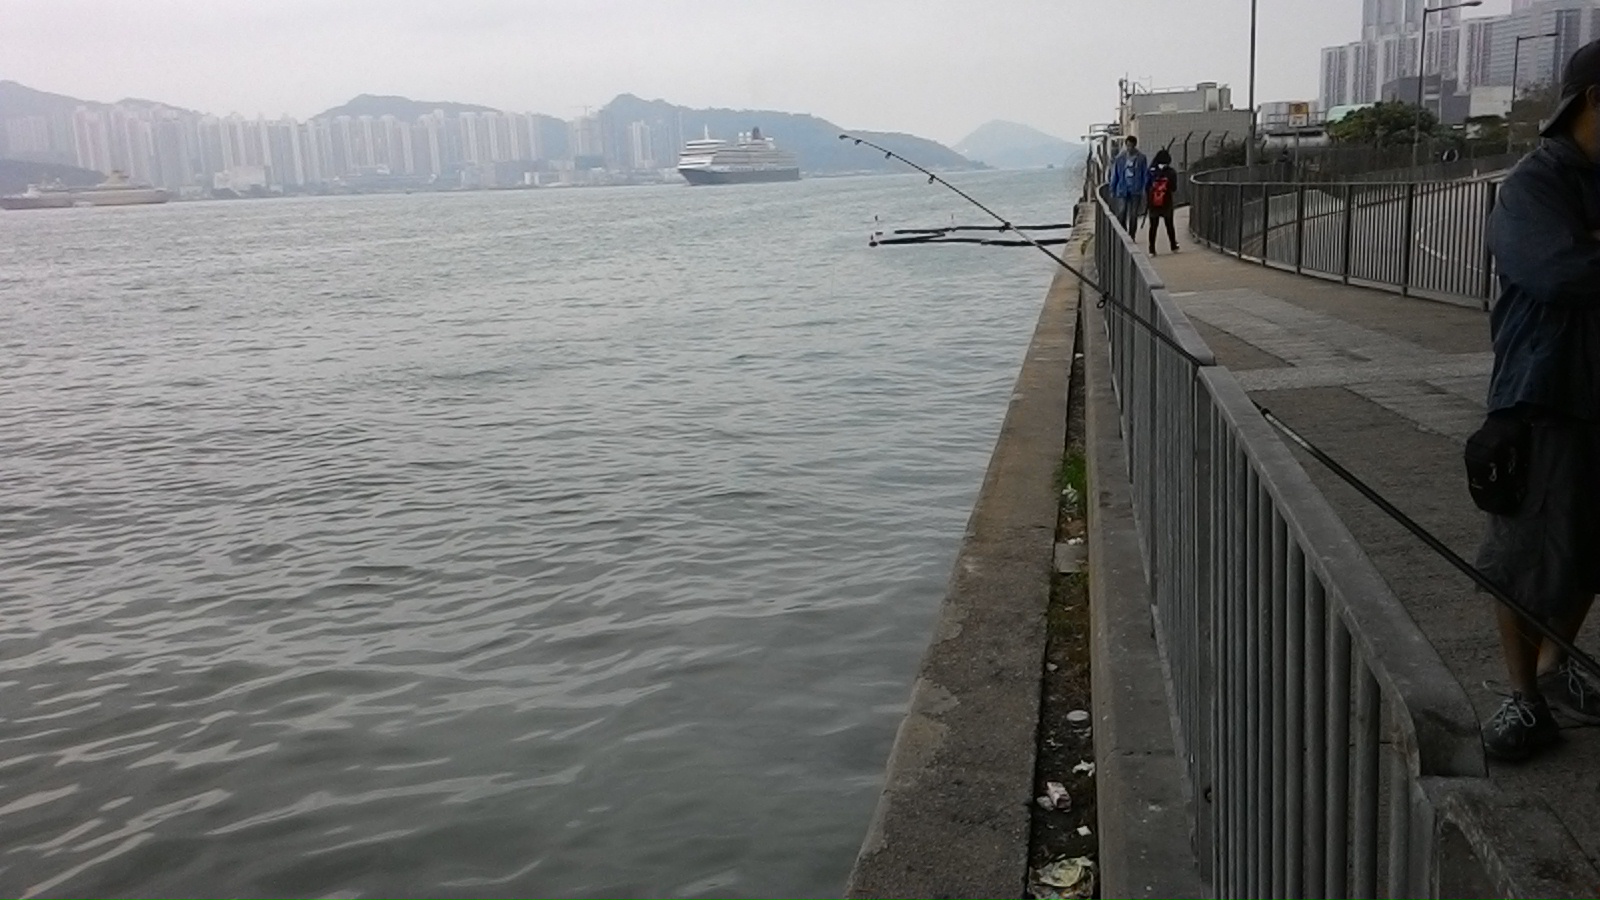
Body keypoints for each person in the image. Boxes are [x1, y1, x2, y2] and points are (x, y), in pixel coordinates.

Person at [1474, 37, 1600, 762]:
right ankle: (1522, 697)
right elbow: (1558, 271)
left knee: (1589, 551)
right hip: (1541, 395)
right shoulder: (1534, 184)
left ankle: (1557, 670)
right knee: (1520, 556)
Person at [1106, 135, 1149, 236]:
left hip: (1136, 189)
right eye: (1128, 146)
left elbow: (1144, 174)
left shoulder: (1141, 158)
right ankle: (1124, 232)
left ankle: (1132, 234)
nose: (1129, 148)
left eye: (1131, 146)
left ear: (1135, 145)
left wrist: (1144, 188)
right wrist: (1112, 188)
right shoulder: (1120, 158)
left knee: (1134, 214)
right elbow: (1115, 174)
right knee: (1122, 212)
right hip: (1122, 188)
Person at [1146, 149, 1180, 255]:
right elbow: (1174, 188)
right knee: (1169, 225)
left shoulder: (1151, 171)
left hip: (1153, 203)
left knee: (1153, 226)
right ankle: (1173, 246)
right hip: (1167, 201)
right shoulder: (1171, 172)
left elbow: (1147, 186)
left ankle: (1152, 249)